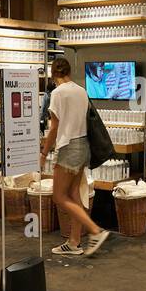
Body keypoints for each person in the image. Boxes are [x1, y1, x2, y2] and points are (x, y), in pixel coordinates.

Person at [39, 57, 110, 258]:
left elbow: (54, 128)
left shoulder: (57, 93)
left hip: (68, 148)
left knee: (60, 196)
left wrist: (44, 152)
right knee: (75, 194)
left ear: (53, 75)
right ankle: (74, 242)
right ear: (69, 71)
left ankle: (95, 230)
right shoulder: (81, 91)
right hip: (83, 146)